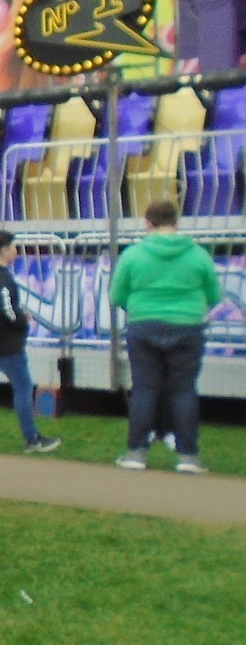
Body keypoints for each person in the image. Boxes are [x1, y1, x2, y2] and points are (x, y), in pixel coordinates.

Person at [111, 199, 221, 473]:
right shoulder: (197, 254)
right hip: (187, 326)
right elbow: (214, 295)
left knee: (145, 389)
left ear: (147, 222)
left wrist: (137, 309)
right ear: (176, 222)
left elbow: (117, 295)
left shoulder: (133, 255)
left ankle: (136, 452)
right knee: (184, 390)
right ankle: (188, 456)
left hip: (144, 324)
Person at [0, 231, 61, 454]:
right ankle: (31, 439)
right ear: (4, 250)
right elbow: (4, 308)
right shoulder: (1, 277)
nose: (16, 251)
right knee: (23, 387)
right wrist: (21, 322)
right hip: (3, 344)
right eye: (14, 247)